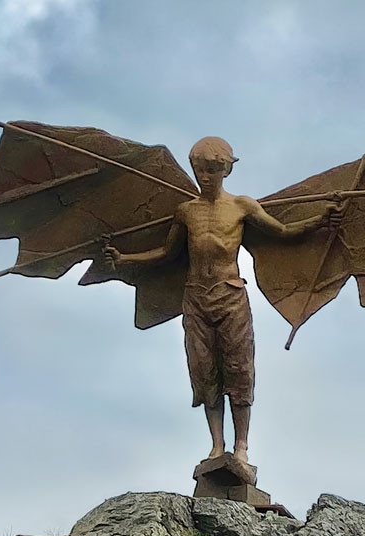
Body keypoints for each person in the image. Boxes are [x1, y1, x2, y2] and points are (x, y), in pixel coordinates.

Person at [104, 137, 341, 467]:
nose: (205, 176)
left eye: (213, 169)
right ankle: (217, 446)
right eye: (200, 169)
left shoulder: (243, 206)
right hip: (196, 298)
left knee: (238, 369)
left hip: (230, 297)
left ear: (228, 169)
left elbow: (283, 232)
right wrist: (125, 258)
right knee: (204, 371)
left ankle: (241, 447)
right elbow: (166, 253)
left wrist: (320, 220)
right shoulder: (186, 211)